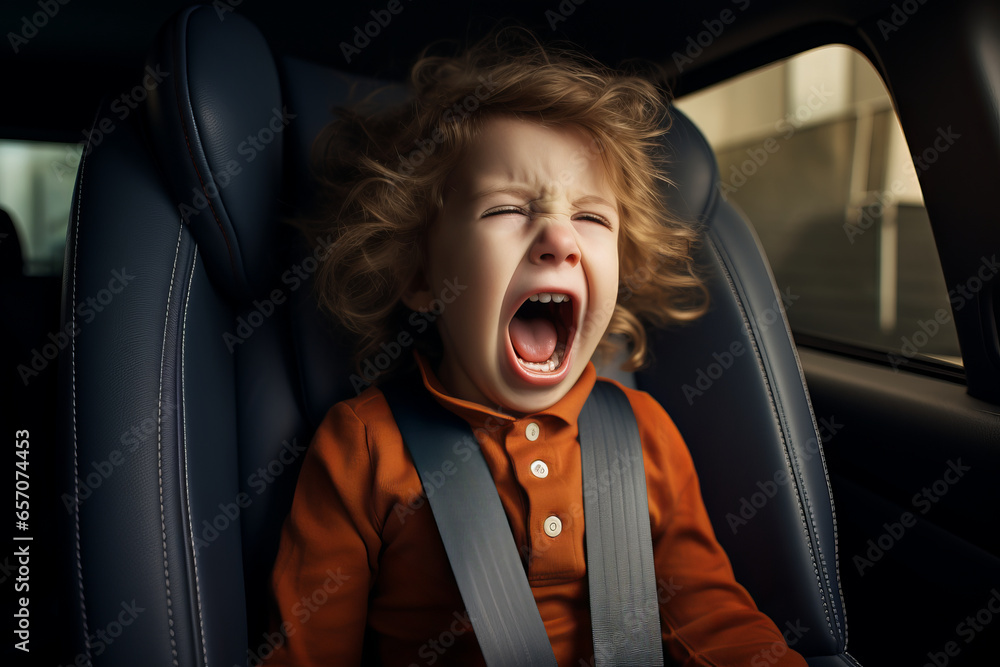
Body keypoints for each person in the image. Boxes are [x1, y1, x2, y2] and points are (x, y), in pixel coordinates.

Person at [264, 28, 807, 667]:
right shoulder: (363, 447)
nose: (559, 240)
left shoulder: (644, 434)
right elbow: (307, 650)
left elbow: (711, 617)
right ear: (420, 276)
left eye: (592, 217)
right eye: (505, 210)